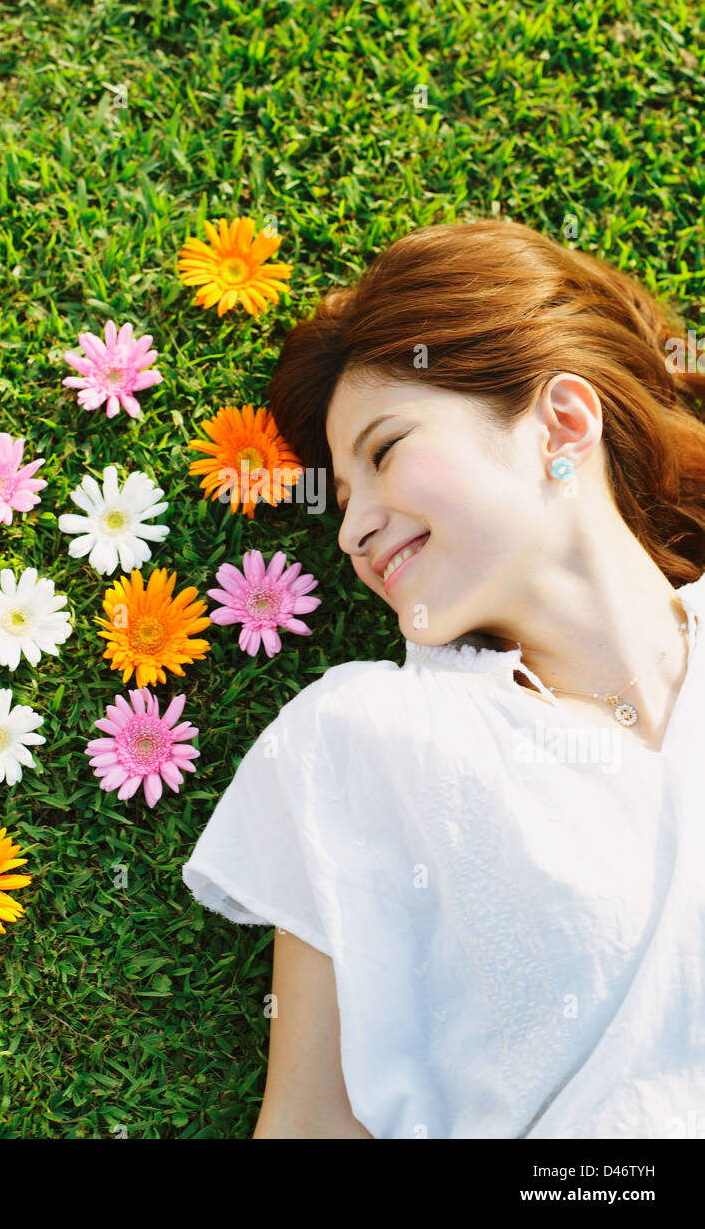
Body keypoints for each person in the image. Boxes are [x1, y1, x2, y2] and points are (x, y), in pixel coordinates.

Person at [181, 217, 705, 1139]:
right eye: (343, 501)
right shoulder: (367, 737)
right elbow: (308, 1124)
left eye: (384, 453)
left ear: (563, 423)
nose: (350, 531)